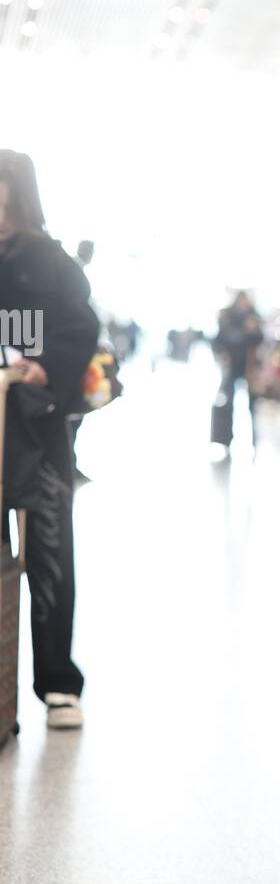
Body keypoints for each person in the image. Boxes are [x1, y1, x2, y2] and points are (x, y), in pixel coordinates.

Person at [0, 150, 99, 729]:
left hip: (38, 434)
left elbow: (82, 328)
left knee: (51, 554)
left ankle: (59, 682)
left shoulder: (54, 263)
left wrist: (46, 369)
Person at [211, 290, 264, 447]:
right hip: (231, 367)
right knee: (228, 403)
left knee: (252, 406)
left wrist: (253, 329)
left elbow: (260, 339)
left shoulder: (254, 316)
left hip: (249, 368)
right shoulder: (226, 316)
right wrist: (222, 354)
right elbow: (217, 340)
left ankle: (254, 440)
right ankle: (226, 440)